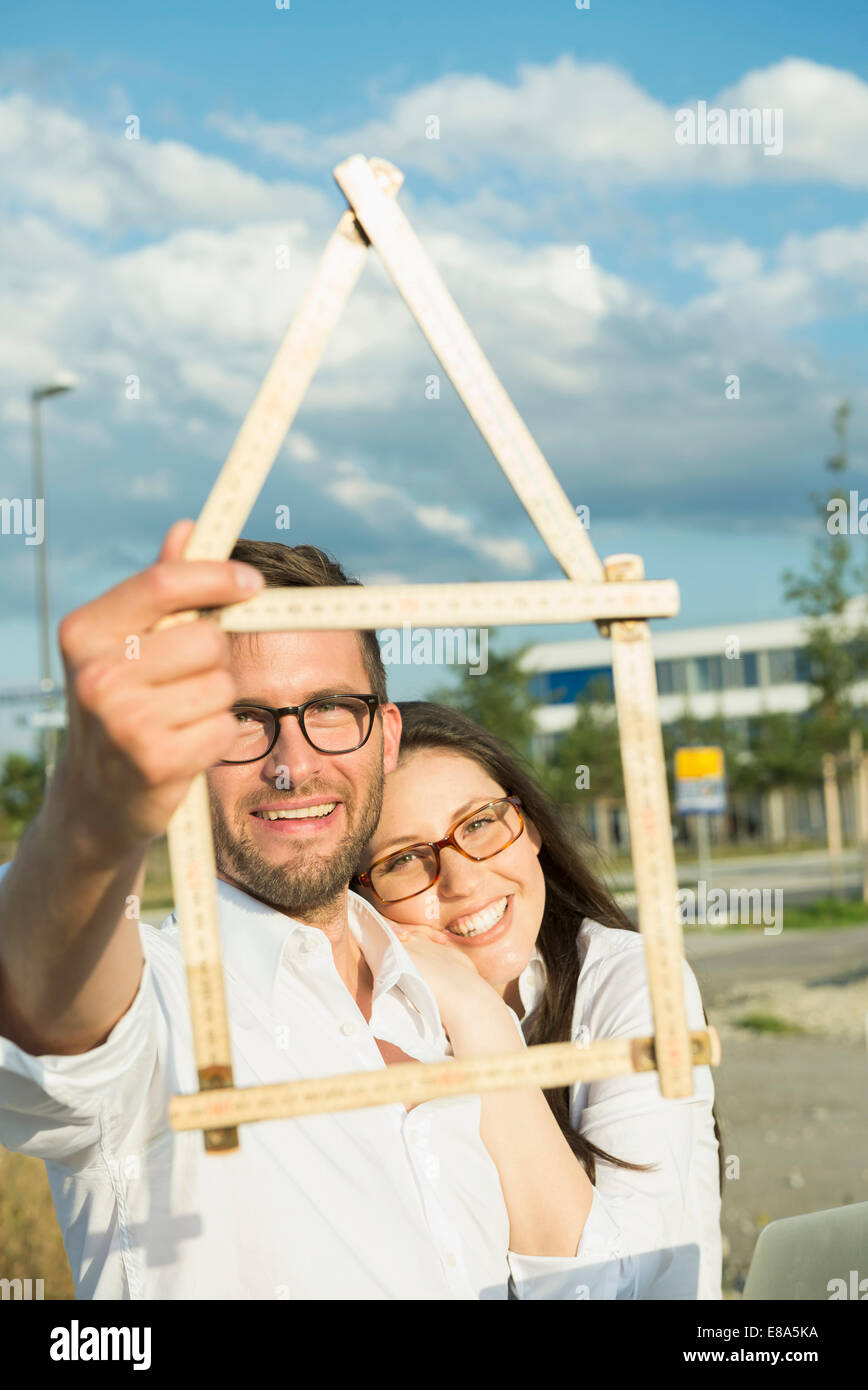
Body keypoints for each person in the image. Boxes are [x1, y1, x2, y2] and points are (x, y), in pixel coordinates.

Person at [0, 526, 607, 1300]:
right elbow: (46, 997)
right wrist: (93, 814)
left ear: (385, 737)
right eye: (242, 718)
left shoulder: (430, 993)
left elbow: (594, 1282)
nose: (292, 766)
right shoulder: (164, 1011)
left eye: (328, 708)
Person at [354, 701, 724, 1299]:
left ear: (531, 830)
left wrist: (479, 1017)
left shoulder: (631, 979)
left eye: (478, 823)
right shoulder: (372, 1021)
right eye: (403, 860)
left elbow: (612, 1291)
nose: (463, 880)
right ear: (361, 902)